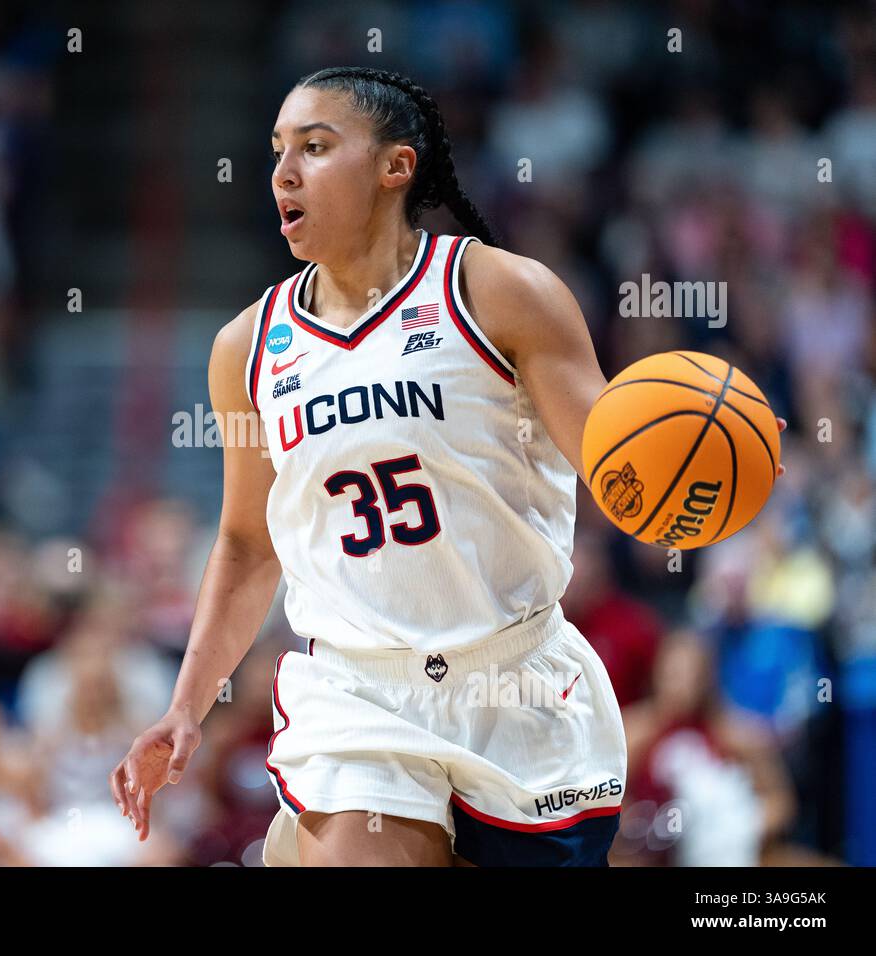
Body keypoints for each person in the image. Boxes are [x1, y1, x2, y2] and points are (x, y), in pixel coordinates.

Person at [110, 66, 787, 866]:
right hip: (358, 694)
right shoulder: (247, 350)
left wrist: (711, 459)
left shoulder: (501, 293)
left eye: (316, 147)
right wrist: (186, 705)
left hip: (517, 683)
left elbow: (626, 478)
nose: (285, 173)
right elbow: (249, 545)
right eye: (277, 152)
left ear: (396, 167)